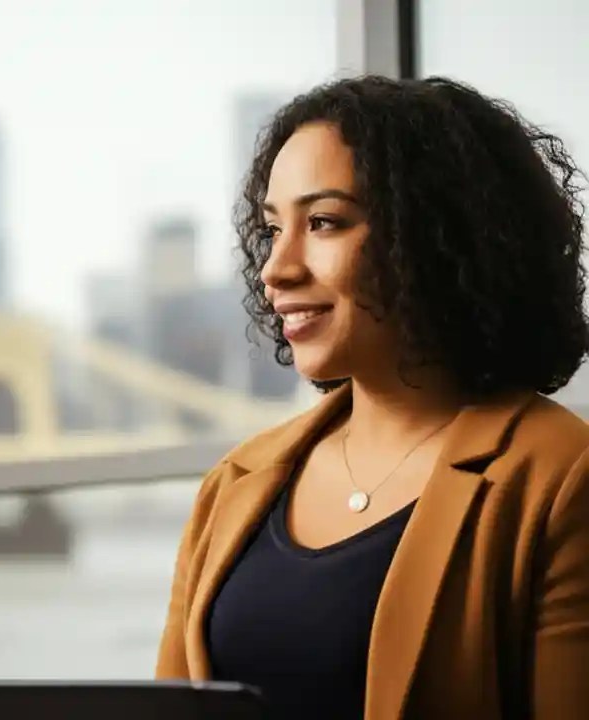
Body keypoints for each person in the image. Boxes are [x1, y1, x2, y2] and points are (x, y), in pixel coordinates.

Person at [154, 76, 589, 720]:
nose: (277, 267)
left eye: (324, 222)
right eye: (273, 229)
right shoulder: (234, 485)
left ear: (436, 237)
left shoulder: (562, 479)